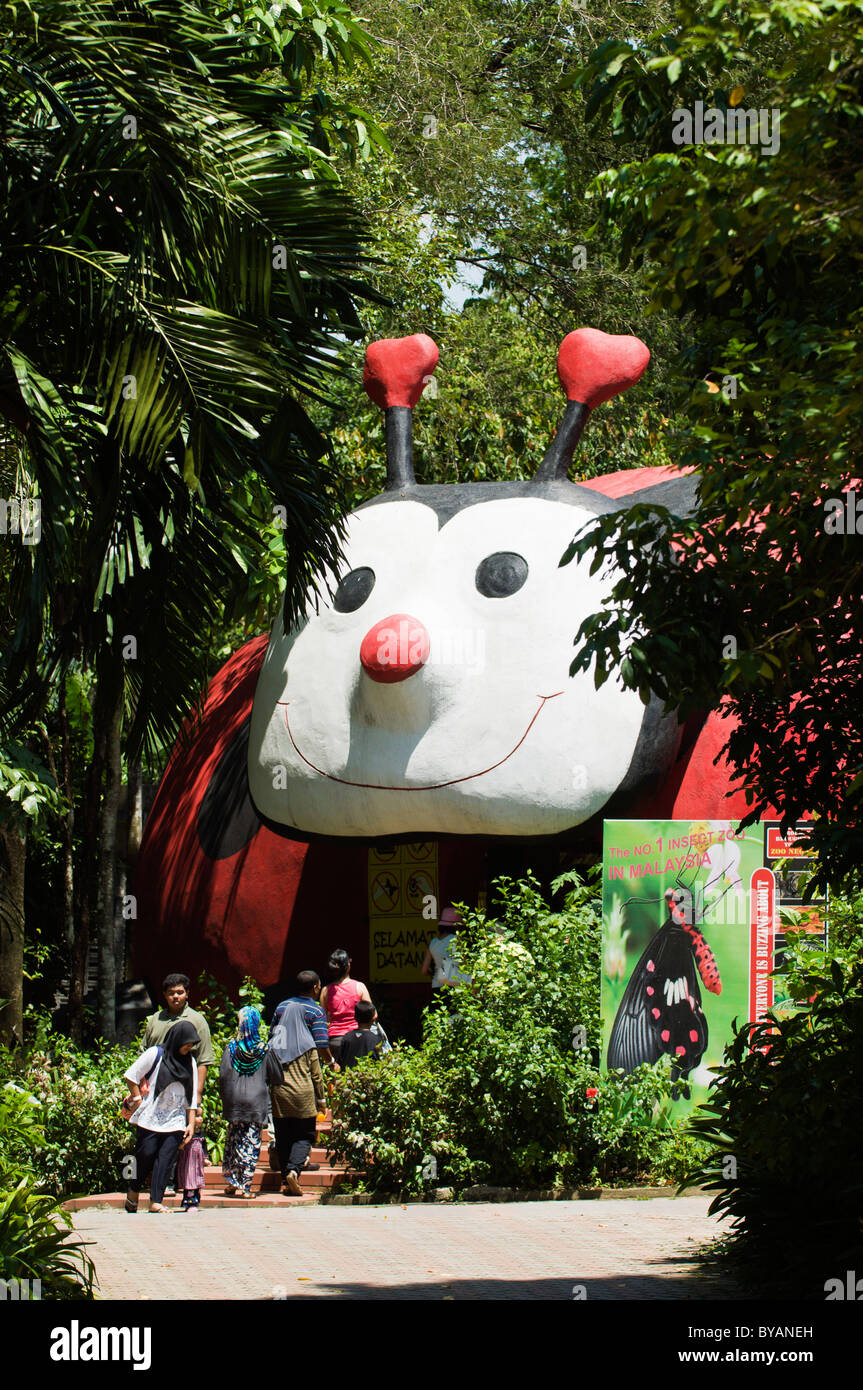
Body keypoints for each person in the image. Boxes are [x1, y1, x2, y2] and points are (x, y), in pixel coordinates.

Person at [123, 1021, 198, 1213]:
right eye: (187, 1043)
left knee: (165, 1161)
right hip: (150, 1118)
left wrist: (190, 1124)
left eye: (192, 1044)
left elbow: (191, 1096)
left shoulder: (190, 1062)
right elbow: (131, 1075)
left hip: (175, 1121)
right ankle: (133, 1189)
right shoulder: (156, 1054)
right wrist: (138, 1098)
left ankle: (156, 1201)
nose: (189, 1047)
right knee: (144, 1156)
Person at [218, 1005, 282, 1199]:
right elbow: (277, 1076)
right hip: (256, 1103)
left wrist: (226, 1098)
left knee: (234, 1141)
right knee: (250, 1143)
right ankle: (244, 1186)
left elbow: (223, 1075)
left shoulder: (231, 1048)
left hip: (234, 1101)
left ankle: (231, 1182)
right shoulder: (264, 1050)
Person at [268, 999, 327, 1196]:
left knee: (283, 1137)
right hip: (304, 1095)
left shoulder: (273, 1043)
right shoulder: (308, 1043)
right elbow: (317, 1075)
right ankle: (294, 1169)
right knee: (304, 1135)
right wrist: (322, 1100)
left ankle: (286, 1180)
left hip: (279, 1095)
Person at [142, 973, 215, 1107]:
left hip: (182, 1089)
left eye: (180, 992)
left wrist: (197, 1093)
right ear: (164, 994)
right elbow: (144, 1054)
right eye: (171, 993)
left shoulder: (197, 1021)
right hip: (153, 1087)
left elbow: (203, 1061)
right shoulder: (156, 1019)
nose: (175, 997)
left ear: (187, 994)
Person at [270, 971, 333, 1066]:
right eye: (319, 986)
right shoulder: (316, 1011)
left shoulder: (282, 1006)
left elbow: (272, 1036)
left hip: (279, 1063)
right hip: (302, 1064)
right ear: (315, 988)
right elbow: (321, 1044)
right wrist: (331, 1063)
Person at [320, 950, 371, 1063]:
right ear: (348, 966)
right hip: (357, 1038)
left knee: (336, 1078)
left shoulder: (325, 991)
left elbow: (322, 1019)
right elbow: (373, 1014)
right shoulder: (359, 987)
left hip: (334, 1040)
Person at [421, 906, 470, 1002]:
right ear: (457, 925)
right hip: (455, 984)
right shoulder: (456, 939)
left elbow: (423, 970)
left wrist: (435, 975)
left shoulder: (433, 942)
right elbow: (465, 963)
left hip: (436, 985)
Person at [338, 1000, 385, 1070]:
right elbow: (379, 1062)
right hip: (368, 1077)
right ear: (373, 1018)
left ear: (355, 1017)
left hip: (348, 1078)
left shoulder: (347, 1037)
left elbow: (340, 1061)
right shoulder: (376, 1039)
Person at [177, 1113, 207, 1213]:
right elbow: (181, 1146)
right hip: (188, 1162)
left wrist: (205, 1158)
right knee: (189, 1180)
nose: (201, 1118)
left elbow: (204, 1146)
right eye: (197, 1116)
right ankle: (189, 1203)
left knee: (197, 1180)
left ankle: (195, 1202)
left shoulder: (201, 1133)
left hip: (197, 1163)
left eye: (201, 1116)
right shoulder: (186, 1133)